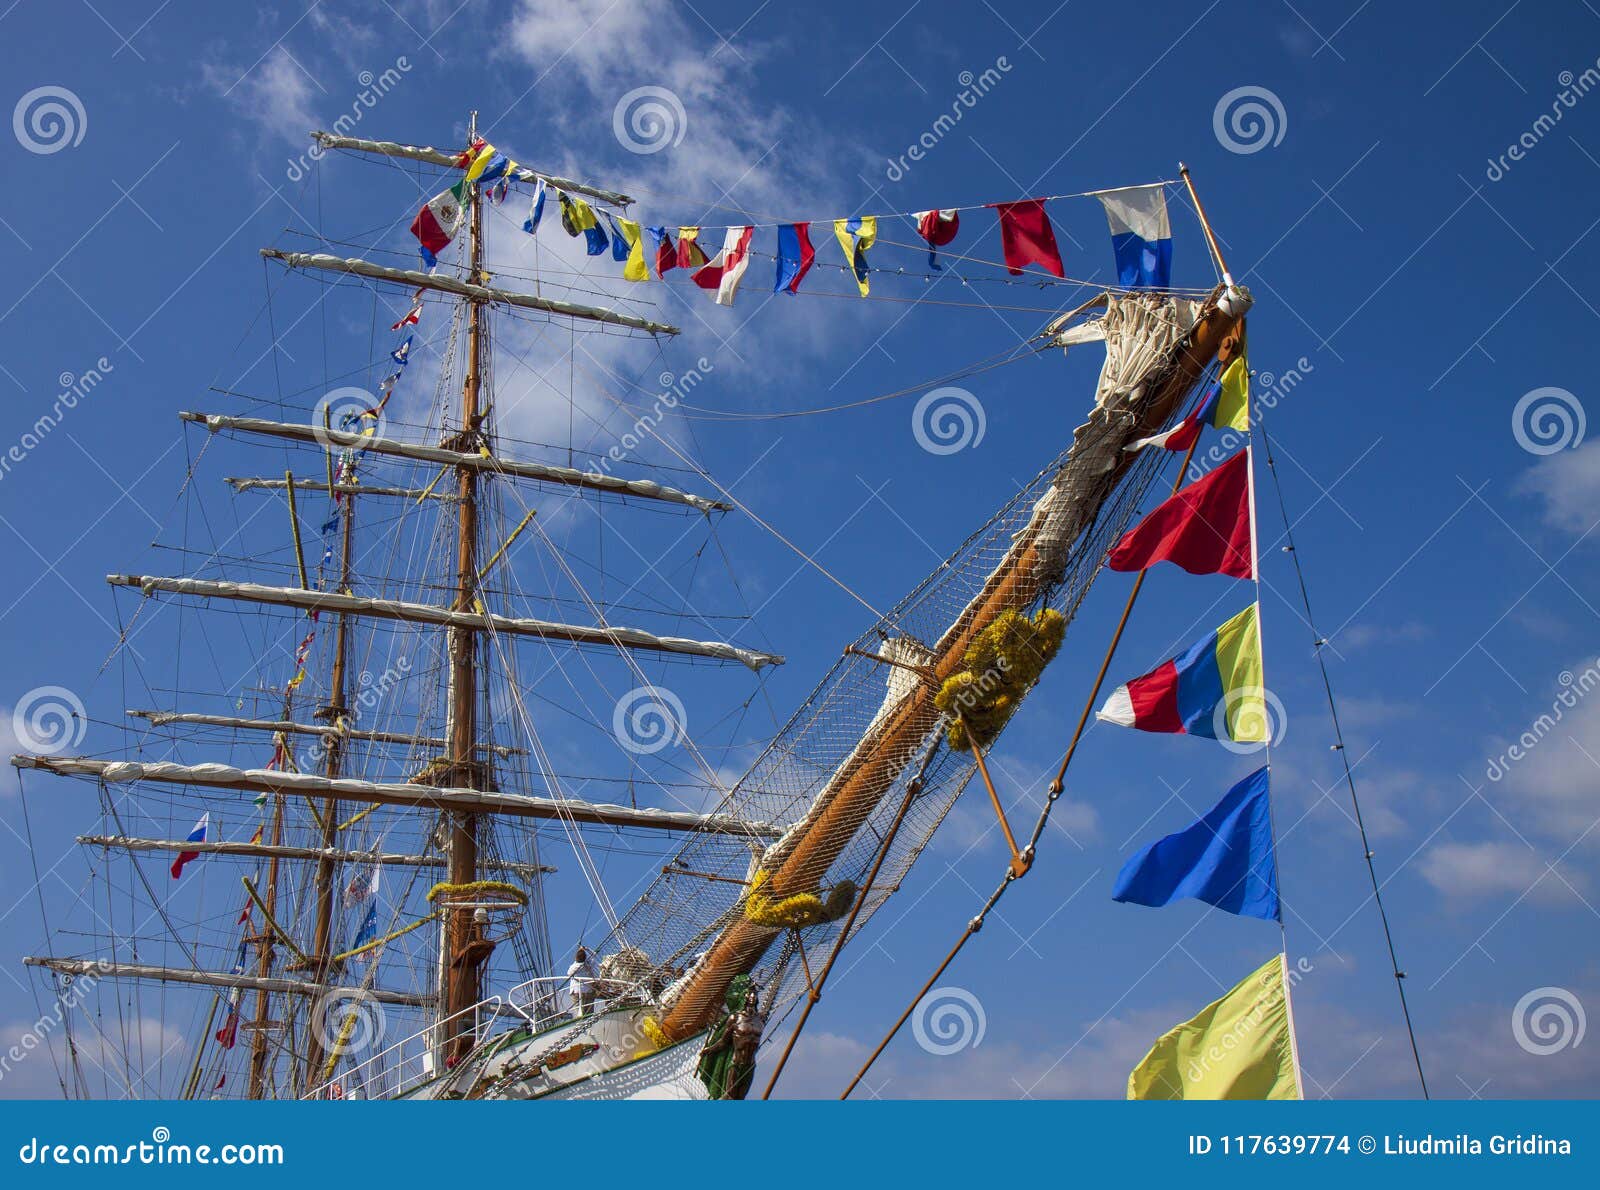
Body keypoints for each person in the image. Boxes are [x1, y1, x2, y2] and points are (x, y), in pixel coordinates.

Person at [566, 946, 597, 1018]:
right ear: (585, 958)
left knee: (580, 1014)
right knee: (589, 1014)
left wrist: (580, 951)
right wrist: (586, 948)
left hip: (577, 992)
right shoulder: (589, 965)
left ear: (576, 958)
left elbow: (568, 973)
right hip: (588, 991)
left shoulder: (574, 967)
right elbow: (594, 954)